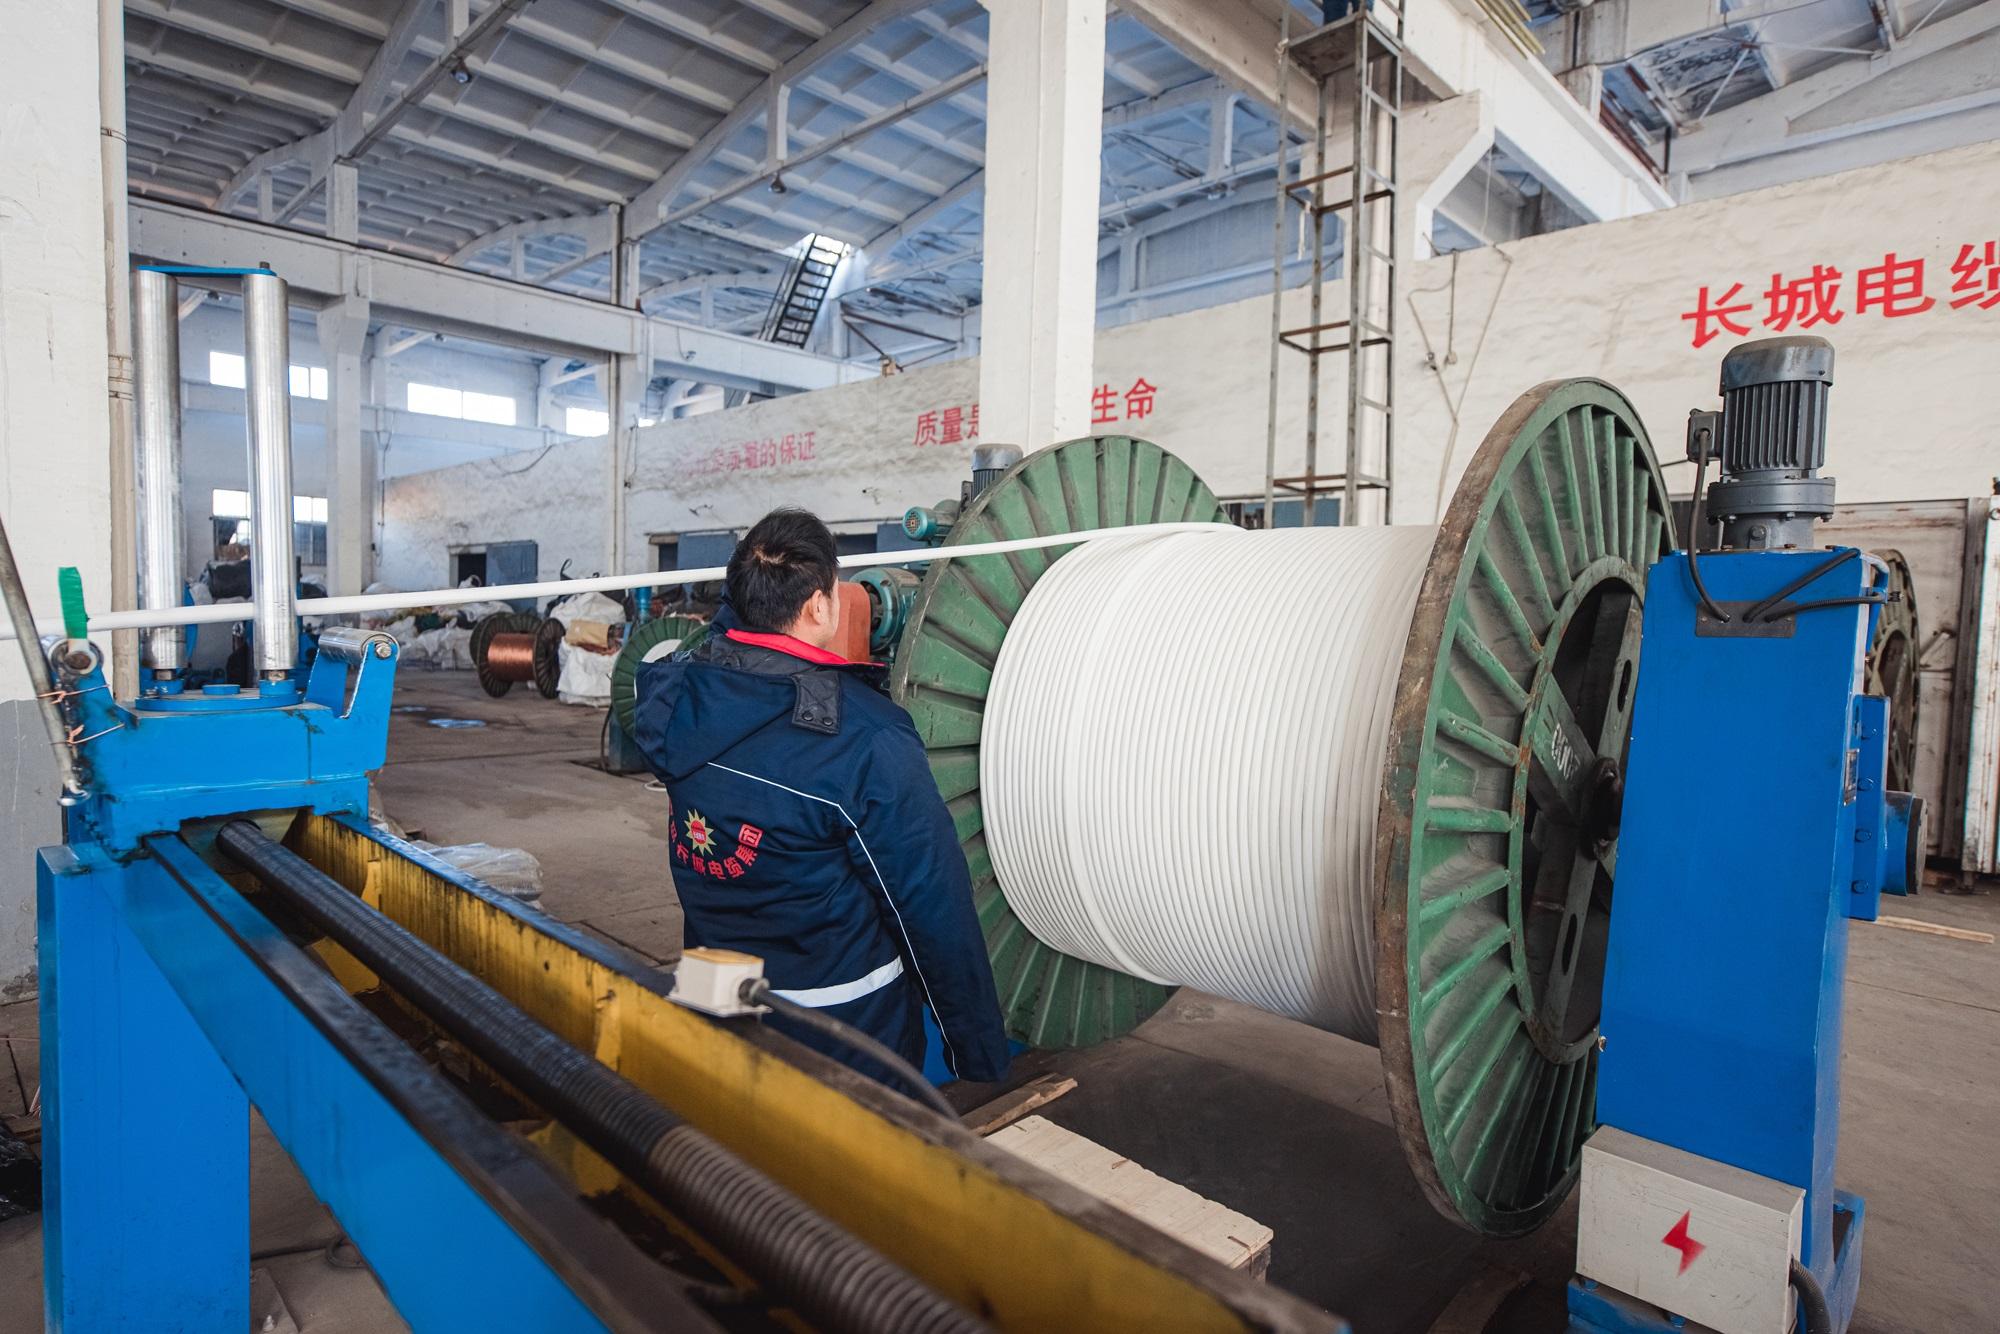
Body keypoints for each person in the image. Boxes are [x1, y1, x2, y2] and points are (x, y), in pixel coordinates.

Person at [632, 508, 1010, 1086]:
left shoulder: (673, 701)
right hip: (837, 1023)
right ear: (817, 606)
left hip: (714, 993)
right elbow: (929, 904)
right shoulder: (865, 738)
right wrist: (974, 1044)